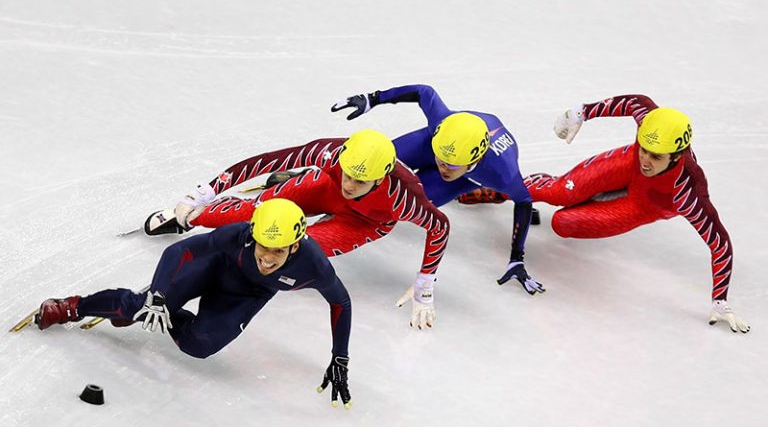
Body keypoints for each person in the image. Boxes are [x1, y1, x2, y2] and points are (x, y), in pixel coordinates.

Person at [457, 94, 749, 333]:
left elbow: (719, 243)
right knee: (558, 192)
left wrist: (720, 301)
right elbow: (637, 101)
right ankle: (504, 192)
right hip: (624, 167)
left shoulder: (689, 191)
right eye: (644, 148)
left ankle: (563, 194)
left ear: (677, 156)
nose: (646, 160)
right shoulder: (651, 126)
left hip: (642, 205)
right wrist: (582, 112)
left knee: (563, 222)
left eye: (655, 157)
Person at [35, 199, 354, 408]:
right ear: (254, 235)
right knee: (142, 306)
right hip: (214, 266)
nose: (268, 259)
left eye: (279, 251)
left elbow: (340, 302)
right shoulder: (238, 235)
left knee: (200, 346)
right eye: (263, 247)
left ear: (296, 245)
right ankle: (71, 307)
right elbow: (179, 252)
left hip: (246, 296)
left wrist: (340, 356)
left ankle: (171, 312)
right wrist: (158, 295)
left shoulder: (315, 266)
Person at [145, 129, 449, 329]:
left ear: (381, 178)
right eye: (348, 174)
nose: (350, 185)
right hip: (323, 188)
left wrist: (425, 285)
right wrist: (204, 193)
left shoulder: (404, 197)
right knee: (259, 214)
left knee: (296, 250)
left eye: (360, 181)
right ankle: (196, 216)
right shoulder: (331, 155)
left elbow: (439, 227)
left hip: (364, 221)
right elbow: (265, 160)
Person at [331, 84, 543, 296]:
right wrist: (373, 99)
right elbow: (425, 92)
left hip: (468, 178)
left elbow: (523, 201)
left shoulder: (503, 173)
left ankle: (478, 191)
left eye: (449, 165)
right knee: (376, 163)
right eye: (439, 161)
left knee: (410, 201)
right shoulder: (442, 125)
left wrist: (517, 258)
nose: (442, 168)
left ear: (474, 161)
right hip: (434, 142)